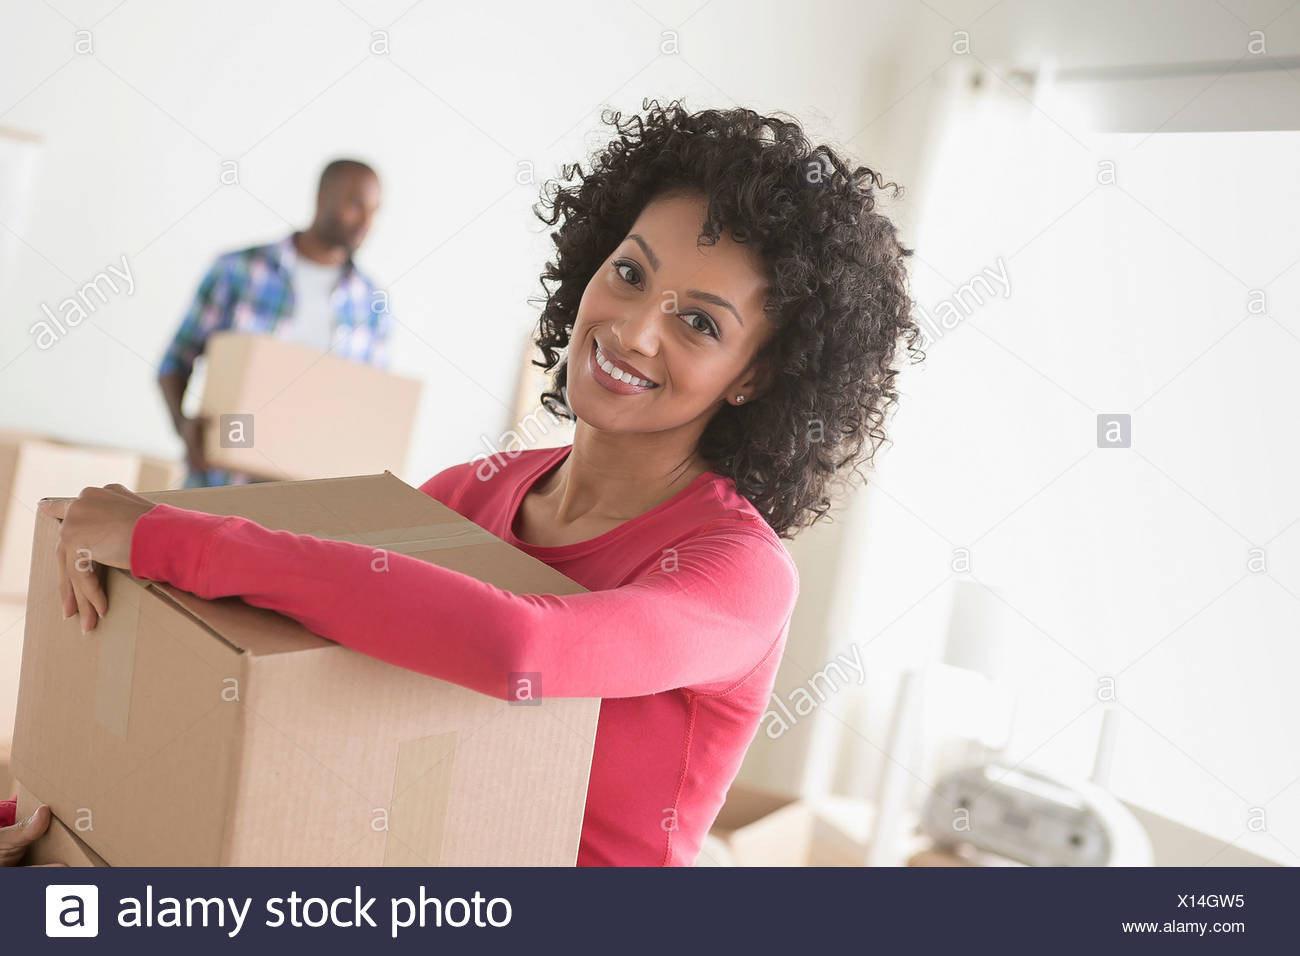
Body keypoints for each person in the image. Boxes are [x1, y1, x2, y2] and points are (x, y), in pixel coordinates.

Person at [11, 100, 923, 866]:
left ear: (757, 376)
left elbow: (520, 652)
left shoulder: (738, 573)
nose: (635, 330)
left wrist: (170, 533)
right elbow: (282, 681)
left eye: (698, 323)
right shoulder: (468, 495)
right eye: (632, 273)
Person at [157, 158, 393, 488]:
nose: (366, 222)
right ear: (322, 197)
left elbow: (366, 409)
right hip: (220, 484)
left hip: (308, 502)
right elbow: (174, 361)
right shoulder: (237, 270)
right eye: (355, 205)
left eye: (374, 211)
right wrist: (183, 426)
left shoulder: (372, 304)